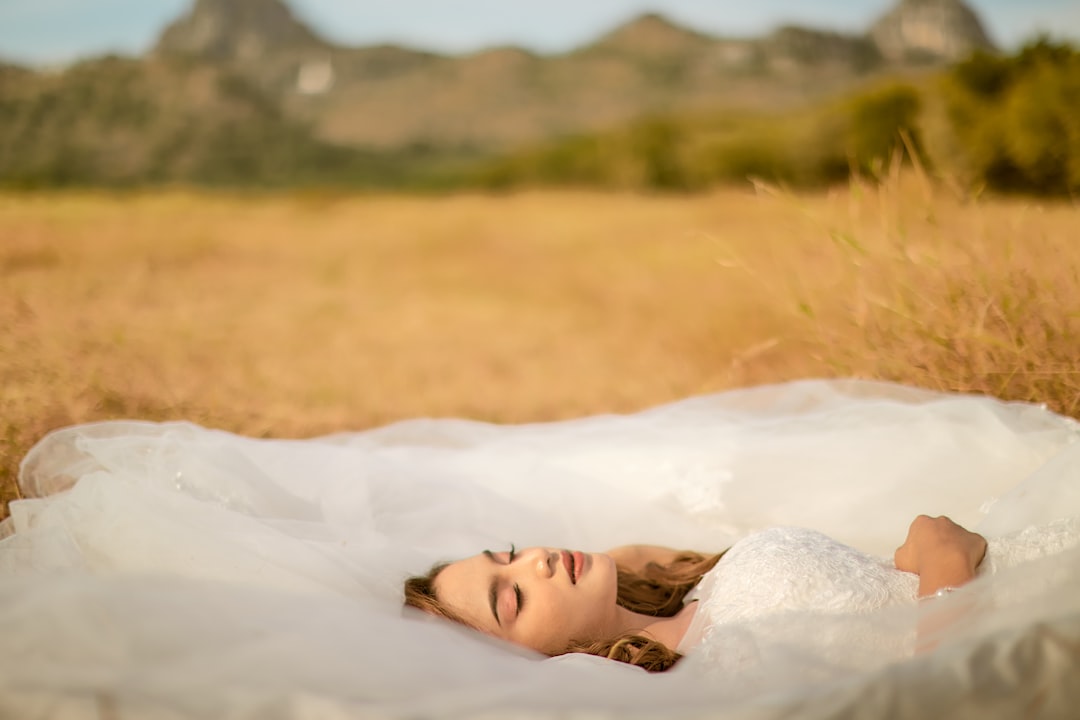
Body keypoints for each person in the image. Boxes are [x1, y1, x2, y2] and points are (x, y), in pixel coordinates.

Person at [405, 515, 990, 671]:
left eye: (511, 554)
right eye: (513, 599)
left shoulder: (677, 589)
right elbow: (933, 697)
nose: (538, 560)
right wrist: (944, 569)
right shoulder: (709, 670)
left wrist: (907, 558)